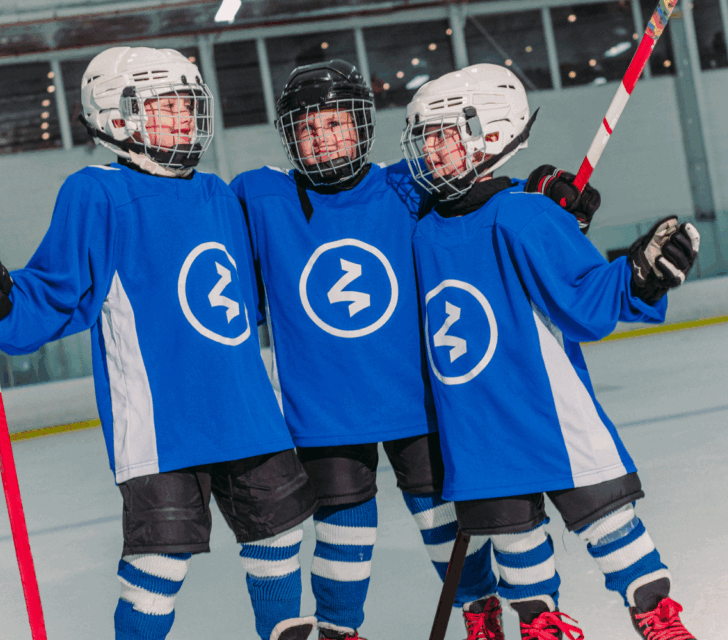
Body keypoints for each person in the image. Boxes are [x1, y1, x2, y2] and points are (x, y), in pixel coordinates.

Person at [230, 60, 599, 640]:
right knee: (341, 531)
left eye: (335, 123)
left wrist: (544, 190)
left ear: (362, 124)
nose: (322, 138)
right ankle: (338, 629)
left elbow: (476, 193)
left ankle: (479, 607)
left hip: (422, 402)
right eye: (306, 127)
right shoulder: (261, 195)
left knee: (443, 524)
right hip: (324, 412)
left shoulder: (407, 184)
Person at [0, 46, 319, 640]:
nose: (185, 118)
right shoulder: (97, 193)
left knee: (279, 535)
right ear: (114, 116)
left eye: (188, 104)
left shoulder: (218, 193)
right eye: (166, 107)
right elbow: (55, 296)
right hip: (161, 426)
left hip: (247, 412)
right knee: (160, 563)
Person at [402, 63, 700, 640]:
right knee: (514, 540)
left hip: (551, 414)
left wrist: (638, 278)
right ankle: (541, 625)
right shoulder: (423, 229)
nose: (430, 151)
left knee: (609, 521)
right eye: (425, 138)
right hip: (477, 424)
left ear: (491, 133)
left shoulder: (525, 214)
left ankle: (654, 612)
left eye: (442, 135)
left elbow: (584, 300)